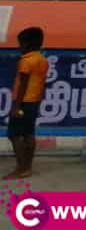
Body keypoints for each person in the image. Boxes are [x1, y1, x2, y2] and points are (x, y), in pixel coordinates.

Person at [7, 27, 47, 179]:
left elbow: (23, 84)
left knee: (14, 135)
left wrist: (16, 106)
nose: (19, 47)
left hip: (23, 102)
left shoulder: (26, 61)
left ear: (26, 44)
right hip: (34, 102)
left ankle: (21, 168)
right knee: (29, 133)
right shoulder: (42, 60)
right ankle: (27, 167)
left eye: (20, 44)